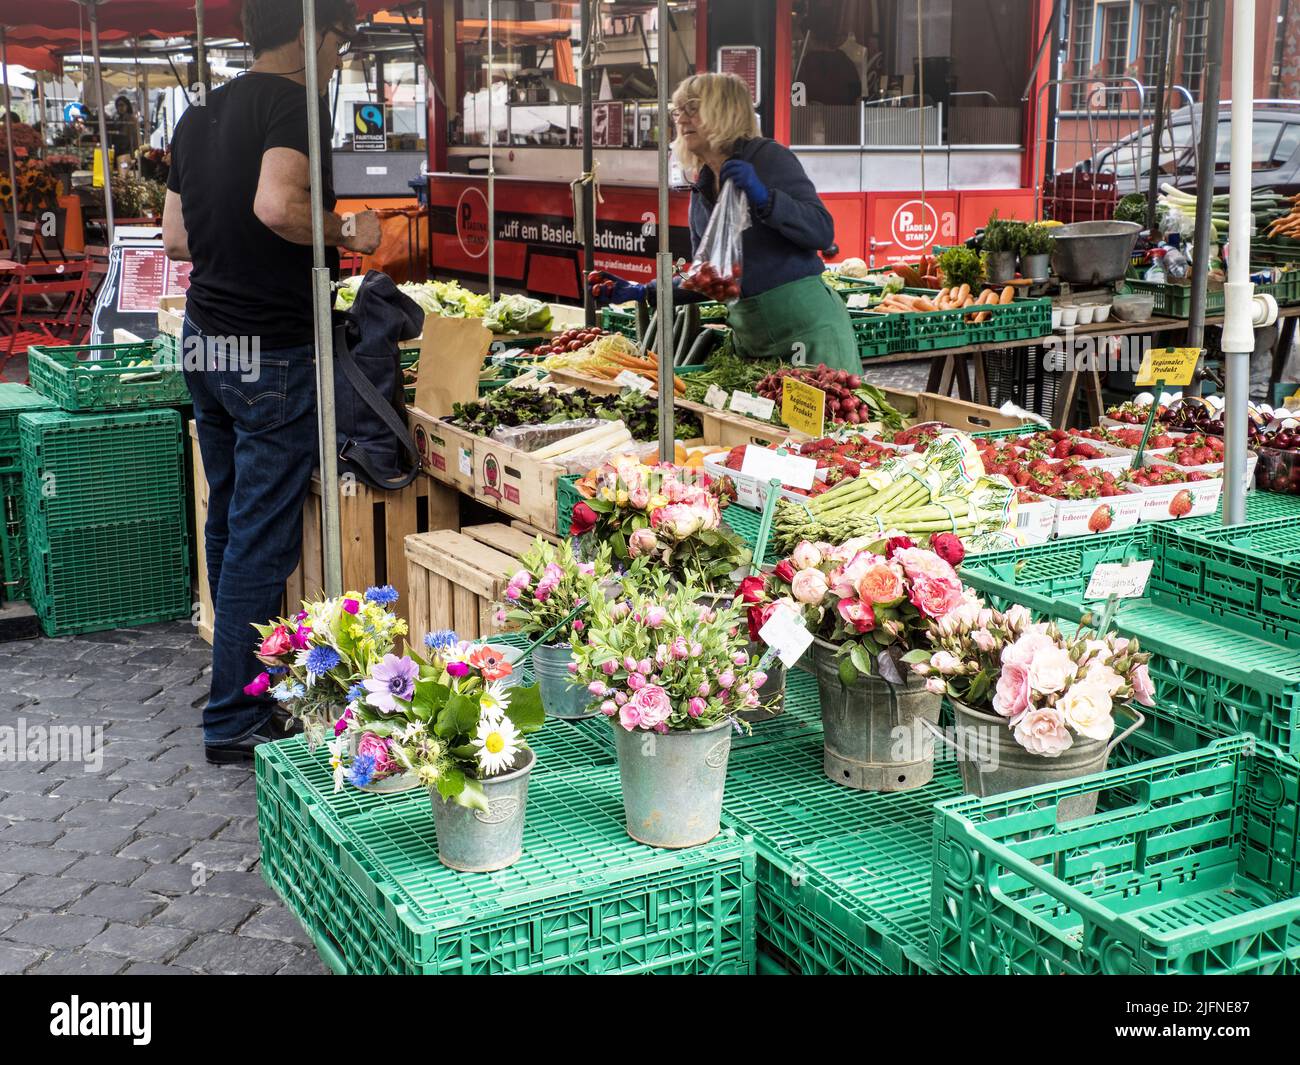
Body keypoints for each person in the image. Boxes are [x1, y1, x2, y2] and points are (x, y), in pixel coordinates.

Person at [162, 0, 381, 765]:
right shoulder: (293, 103)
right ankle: (234, 719)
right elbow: (276, 203)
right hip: (270, 351)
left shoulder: (197, 116)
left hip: (207, 341)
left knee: (228, 516)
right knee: (259, 534)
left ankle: (233, 678)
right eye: (340, 40)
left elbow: (177, 236)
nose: (337, 53)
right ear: (309, 33)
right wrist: (349, 230)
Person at [589, 72, 859, 373]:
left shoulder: (768, 158)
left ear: (726, 110)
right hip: (752, 340)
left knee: (825, 417)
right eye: (678, 110)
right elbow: (711, 279)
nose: (681, 119)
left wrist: (766, 199)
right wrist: (645, 291)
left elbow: (822, 231)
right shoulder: (701, 189)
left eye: (693, 107)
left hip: (807, 332)